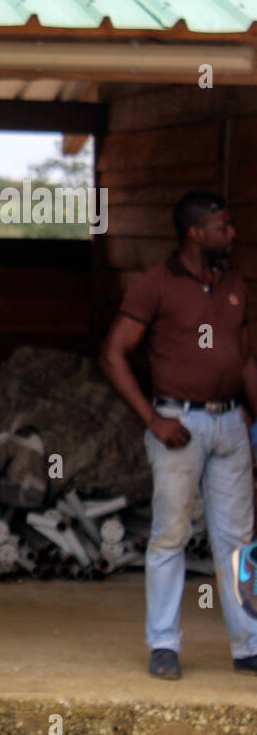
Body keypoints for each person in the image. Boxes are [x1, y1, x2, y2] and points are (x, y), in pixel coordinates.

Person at [101, 190, 257, 680]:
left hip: (231, 423)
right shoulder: (157, 285)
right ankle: (164, 644)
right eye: (223, 227)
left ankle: (249, 644)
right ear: (195, 232)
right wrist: (153, 419)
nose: (232, 235)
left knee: (239, 541)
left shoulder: (236, 286)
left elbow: (247, 360)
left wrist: (255, 422)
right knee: (170, 535)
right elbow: (113, 354)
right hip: (179, 425)